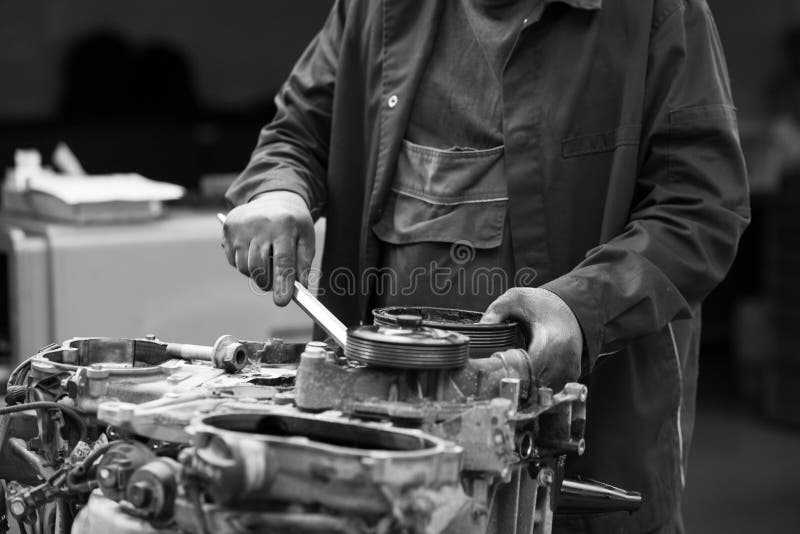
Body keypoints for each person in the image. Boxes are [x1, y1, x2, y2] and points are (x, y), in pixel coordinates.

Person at [222, 0, 750, 532]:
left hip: (578, 452)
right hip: (381, 445)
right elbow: (297, 131)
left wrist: (581, 307)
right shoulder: (374, 10)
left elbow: (699, 208)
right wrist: (278, 192)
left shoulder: (655, 13)